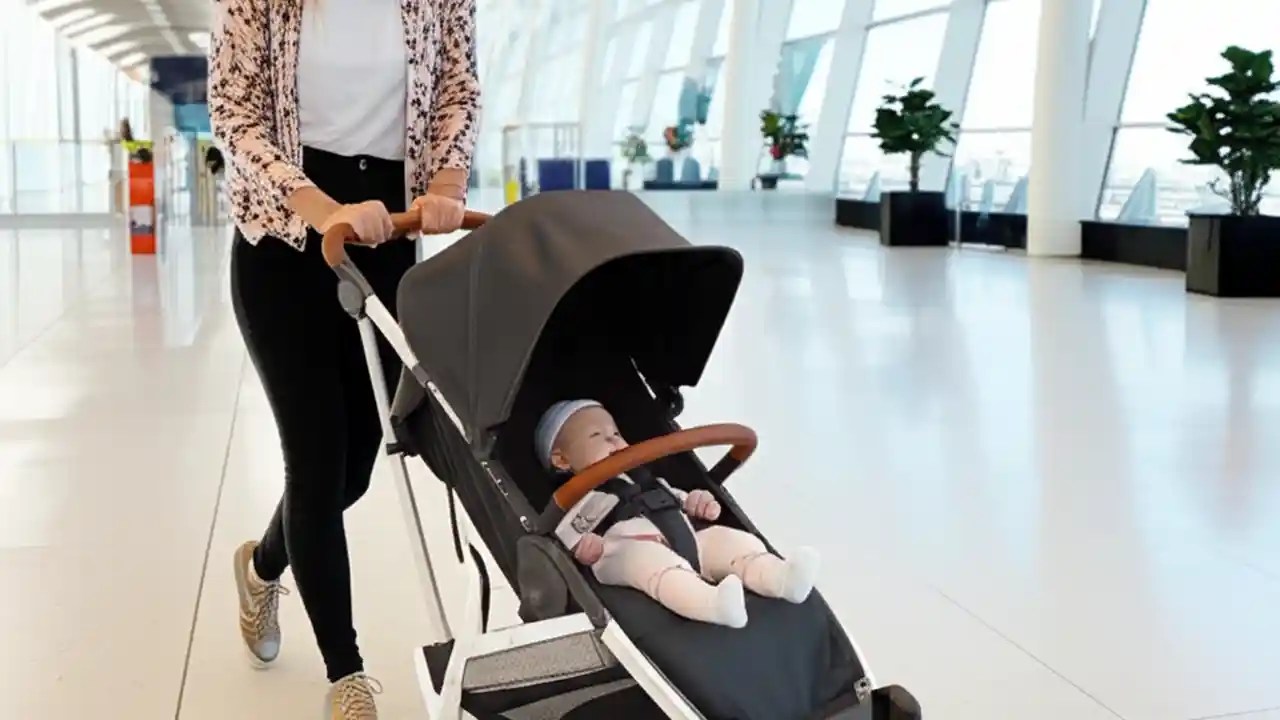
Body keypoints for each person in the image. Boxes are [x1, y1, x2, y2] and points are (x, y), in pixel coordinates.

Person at [208, 0, 480, 716]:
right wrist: (317, 204)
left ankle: (263, 567)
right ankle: (347, 676)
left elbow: (458, 85)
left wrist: (447, 182)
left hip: (389, 236)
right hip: (284, 243)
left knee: (357, 465)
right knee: (316, 458)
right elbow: (235, 111)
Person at [535, 400, 819, 628]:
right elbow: (569, 538)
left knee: (732, 541)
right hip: (623, 552)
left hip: (686, 536)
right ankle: (711, 604)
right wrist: (585, 547)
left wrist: (697, 501)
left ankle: (781, 578)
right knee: (649, 562)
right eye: (597, 436)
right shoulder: (581, 497)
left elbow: (677, 499)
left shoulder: (648, 480)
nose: (612, 440)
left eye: (616, 434)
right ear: (562, 459)